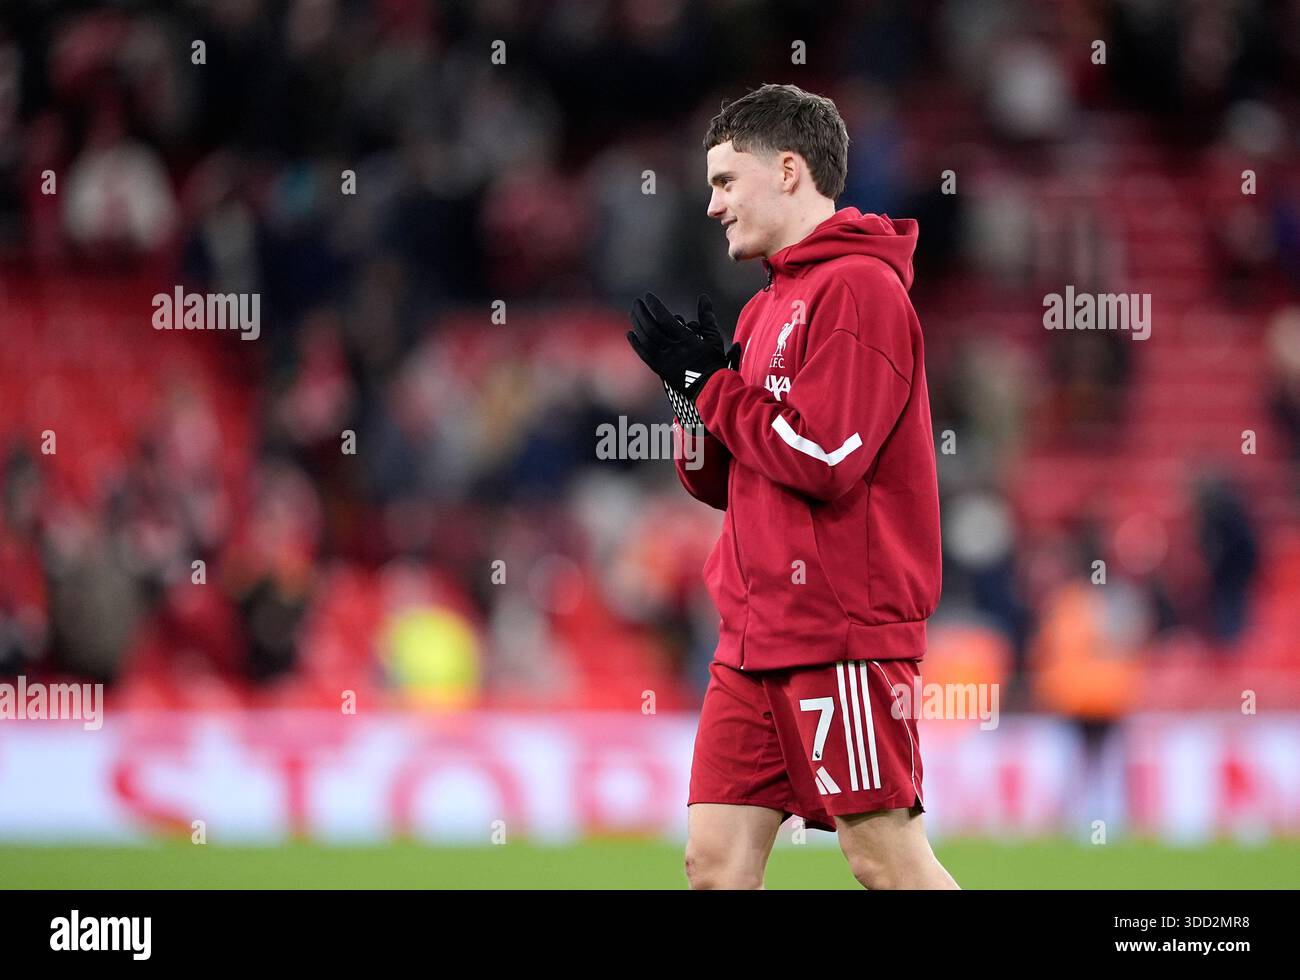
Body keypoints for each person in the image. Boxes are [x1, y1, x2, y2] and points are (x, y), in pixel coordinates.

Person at [626, 83, 956, 889]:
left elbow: (825, 457)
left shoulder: (861, 290)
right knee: (712, 866)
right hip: (751, 635)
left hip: (838, 630)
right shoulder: (764, 307)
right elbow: (716, 482)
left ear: (786, 171)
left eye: (725, 181)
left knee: (883, 858)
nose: (712, 205)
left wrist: (714, 388)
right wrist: (691, 393)